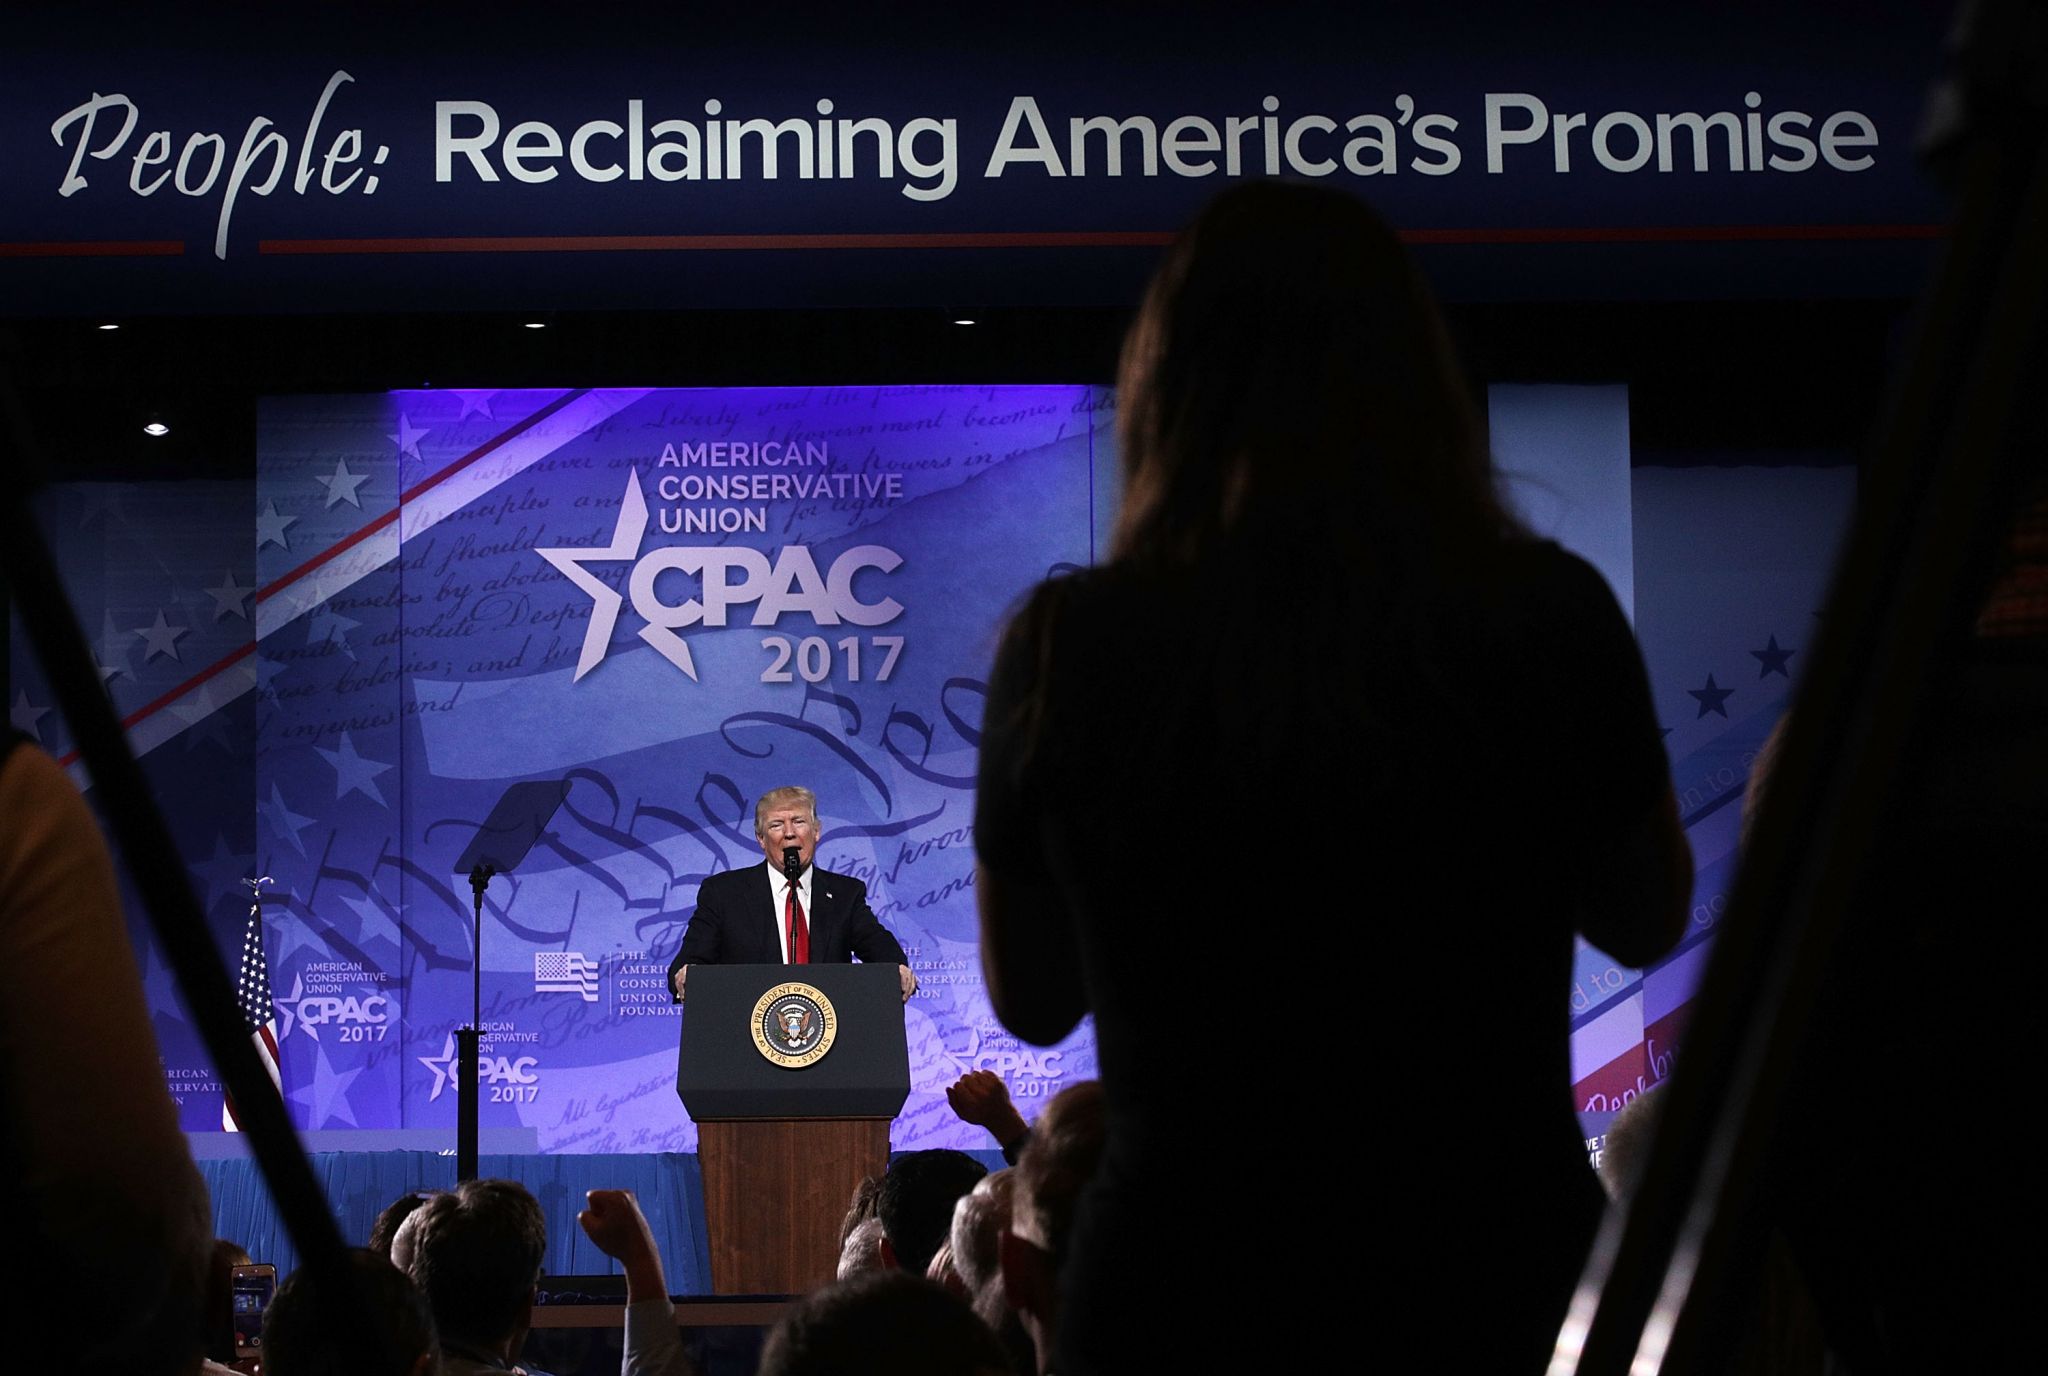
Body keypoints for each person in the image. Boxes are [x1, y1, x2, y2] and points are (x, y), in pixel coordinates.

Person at [973, 182, 1691, 1371]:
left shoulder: (1066, 644)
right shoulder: (1544, 612)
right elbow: (1648, 911)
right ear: (1419, 378)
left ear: (1163, 391)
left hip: (1179, 1286)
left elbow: (1031, 997)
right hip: (1493, 1273)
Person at [668, 785, 915, 1002]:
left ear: (816, 832)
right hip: (745, 1037)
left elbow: (882, 951)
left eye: (798, 822)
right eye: (776, 825)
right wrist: (688, 974)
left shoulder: (844, 894)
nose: (789, 832)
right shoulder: (724, 893)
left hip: (829, 1036)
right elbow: (688, 963)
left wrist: (897, 969)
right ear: (761, 839)